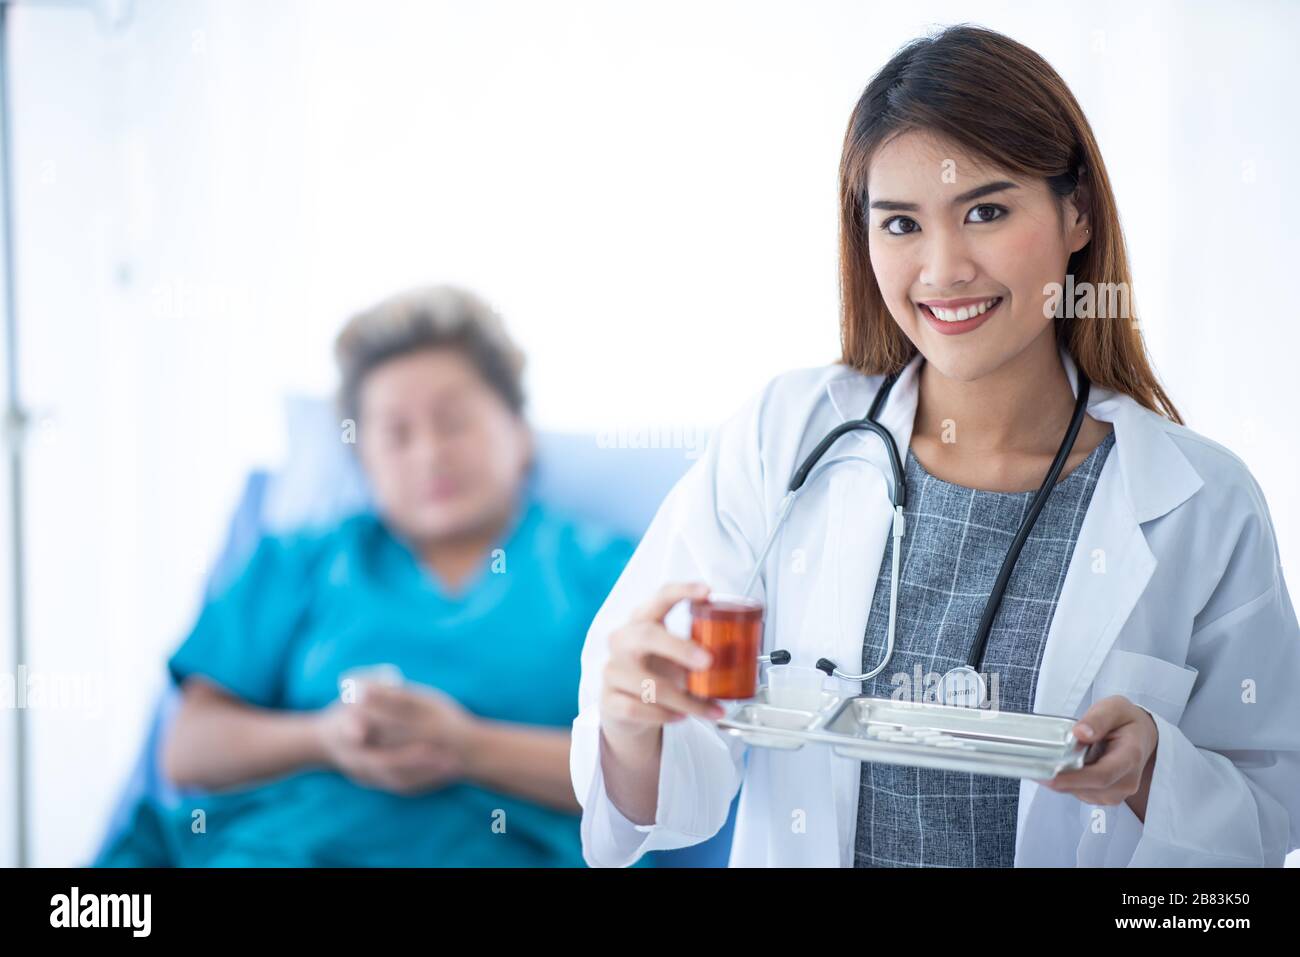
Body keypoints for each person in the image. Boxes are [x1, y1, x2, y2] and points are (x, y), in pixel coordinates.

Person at [572, 25, 1300, 867]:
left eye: (986, 211)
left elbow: (1269, 812)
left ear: (1077, 213)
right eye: (902, 224)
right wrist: (630, 722)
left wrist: (1152, 773)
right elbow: (657, 800)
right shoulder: (785, 437)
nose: (944, 268)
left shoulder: (1200, 502)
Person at [99, 284, 637, 866]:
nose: (429, 454)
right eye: (396, 435)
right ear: (363, 460)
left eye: (453, 423)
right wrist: (324, 739)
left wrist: (468, 747)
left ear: (520, 433)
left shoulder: (607, 571)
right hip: (277, 848)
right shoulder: (298, 561)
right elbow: (187, 751)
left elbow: (657, 780)